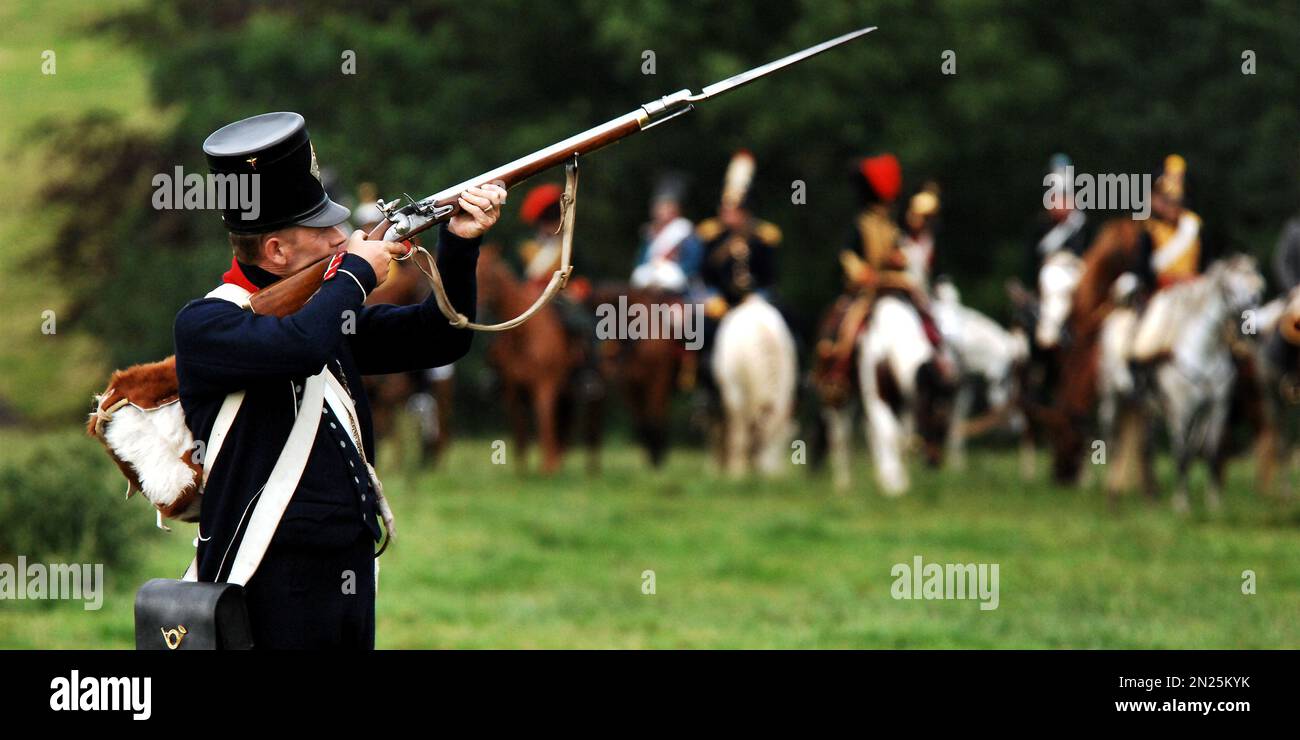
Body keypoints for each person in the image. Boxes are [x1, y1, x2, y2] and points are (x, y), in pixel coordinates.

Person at [173, 112, 505, 649]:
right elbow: (299, 347)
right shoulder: (207, 323)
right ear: (278, 251)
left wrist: (460, 244)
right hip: (267, 575)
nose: (342, 238)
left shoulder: (326, 316)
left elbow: (442, 338)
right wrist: (356, 272)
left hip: (348, 567)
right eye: (324, 231)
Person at [1131, 154, 1202, 362]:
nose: (1171, 206)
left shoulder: (1194, 226)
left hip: (1195, 294)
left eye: (1176, 201)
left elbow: (1205, 265)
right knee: (1144, 346)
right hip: (1162, 295)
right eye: (1167, 199)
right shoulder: (1149, 229)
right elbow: (1142, 269)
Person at [630, 173, 703, 296]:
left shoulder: (685, 232)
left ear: (676, 209)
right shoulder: (650, 233)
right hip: (648, 284)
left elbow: (692, 264)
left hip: (679, 290)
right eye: (658, 206)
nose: (661, 211)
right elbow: (641, 260)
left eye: (666, 206)